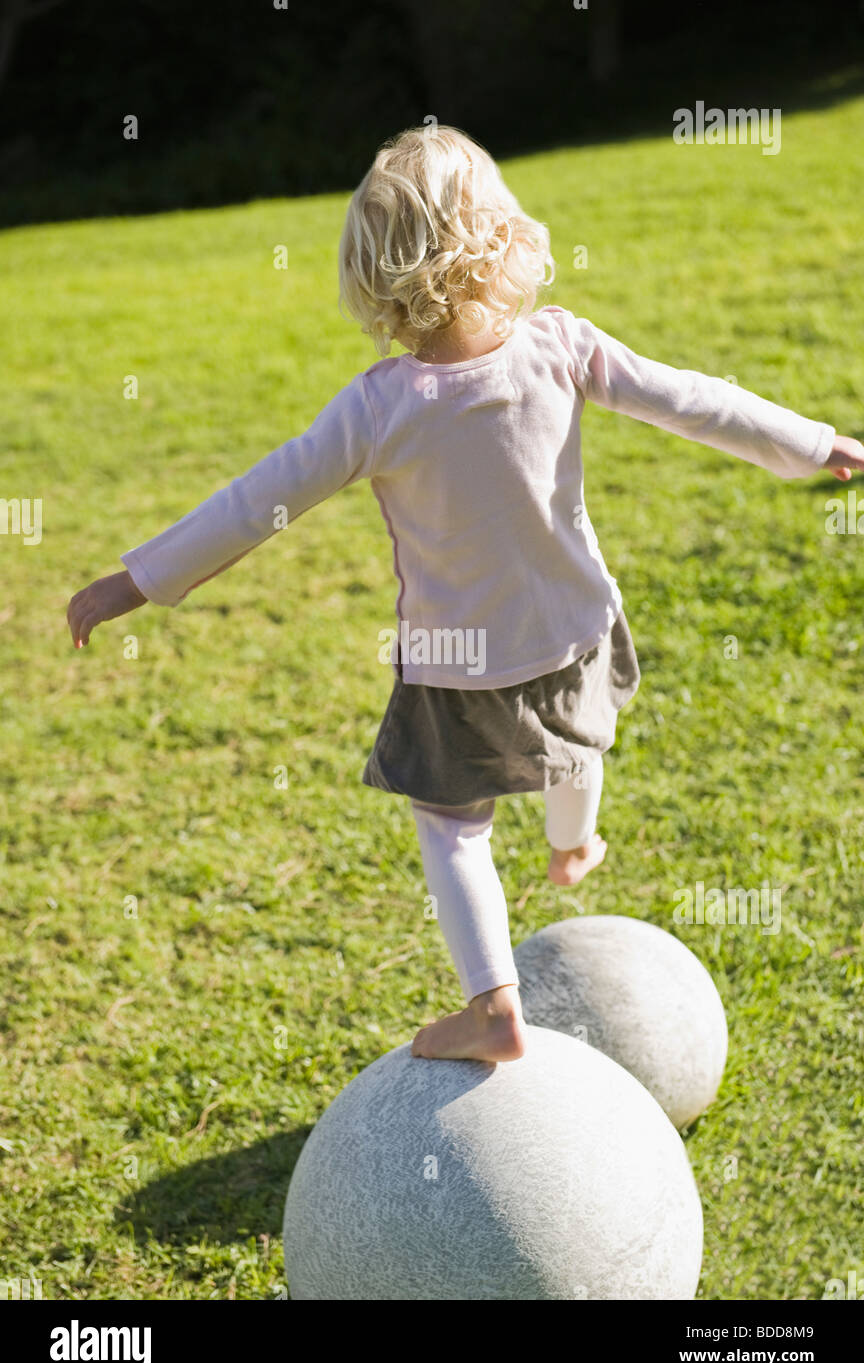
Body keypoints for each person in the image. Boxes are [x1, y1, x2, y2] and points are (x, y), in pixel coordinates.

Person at [67, 125, 864, 1064]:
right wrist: (813, 443)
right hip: (575, 631)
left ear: (379, 276)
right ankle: (575, 845)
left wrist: (139, 579)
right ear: (503, 240)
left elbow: (259, 501)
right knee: (576, 741)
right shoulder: (565, 348)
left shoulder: (377, 407)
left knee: (451, 828)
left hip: (456, 664)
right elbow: (694, 400)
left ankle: (493, 1007)